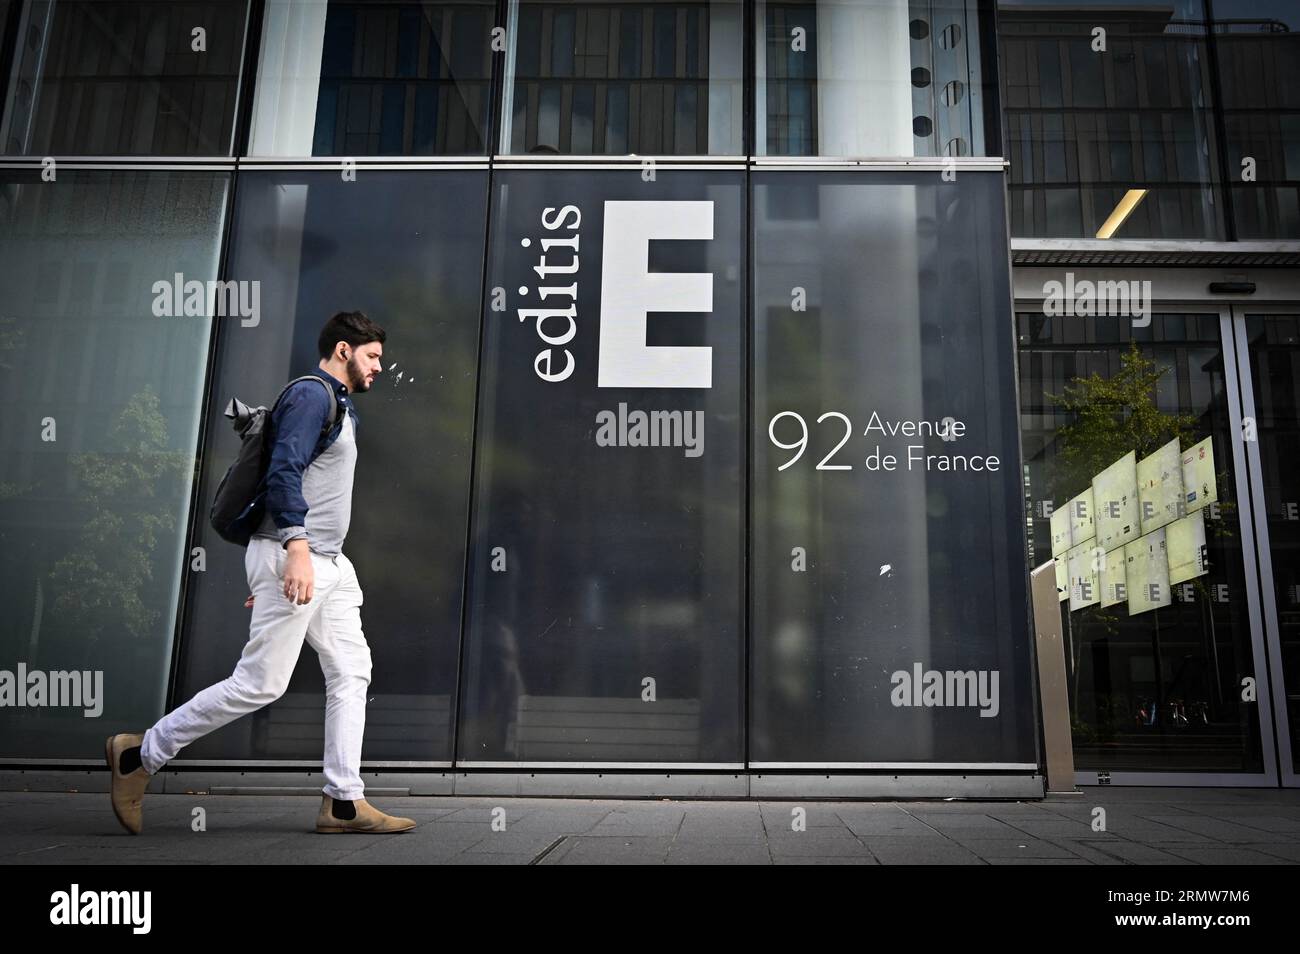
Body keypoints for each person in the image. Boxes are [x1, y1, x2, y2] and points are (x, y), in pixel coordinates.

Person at [106, 311, 415, 835]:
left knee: (351, 668)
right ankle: (141, 754)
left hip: (328, 566)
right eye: (373, 356)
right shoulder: (311, 395)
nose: (380, 367)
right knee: (260, 683)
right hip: (301, 554)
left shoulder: (337, 405)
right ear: (343, 350)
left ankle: (343, 801)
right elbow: (284, 469)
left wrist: (290, 563)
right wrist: (291, 552)